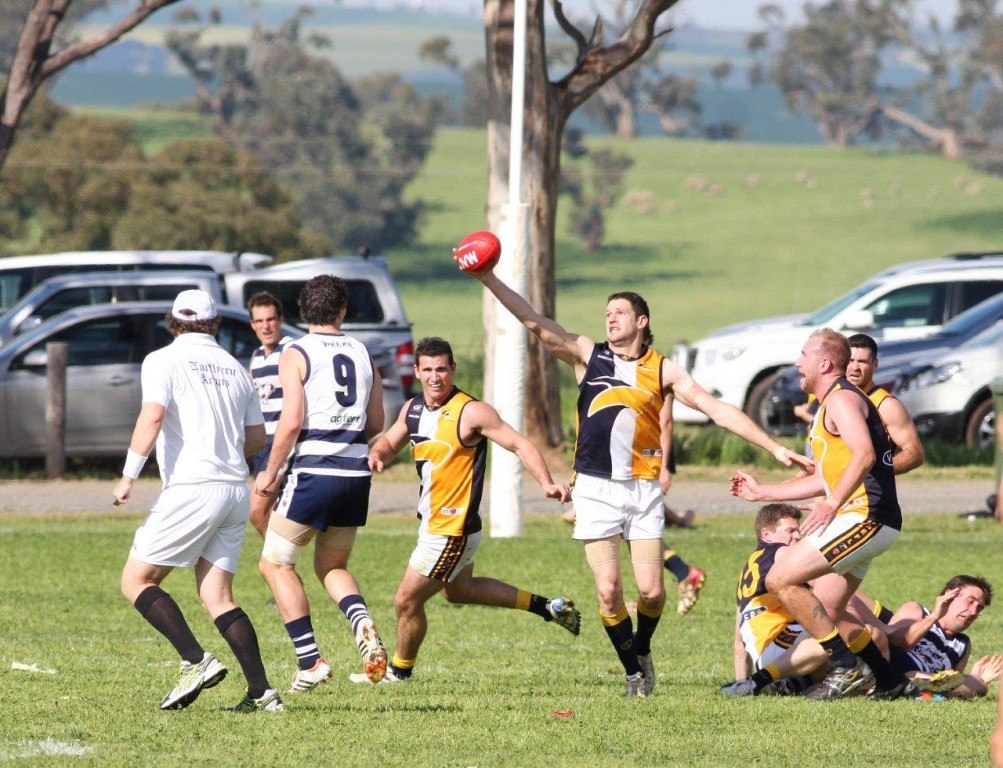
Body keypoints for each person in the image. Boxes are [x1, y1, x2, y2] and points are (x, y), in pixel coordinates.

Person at [464, 261, 810, 697]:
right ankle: (634, 674)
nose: (610, 318)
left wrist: (775, 448)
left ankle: (641, 647)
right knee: (609, 592)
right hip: (594, 487)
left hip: (642, 489)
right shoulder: (589, 355)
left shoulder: (663, 370)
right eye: (607, 312)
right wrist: (488, 279)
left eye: (620, 313)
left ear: (641, 322)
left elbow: (717, 410)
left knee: (652, 593)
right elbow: (534, 321)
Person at [357, 336, 580, 684]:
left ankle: (399, 673)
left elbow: (520, 443)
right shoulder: (413, 409)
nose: (435, 377)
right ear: (416, 371)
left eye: (442, 369)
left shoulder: (471, 411)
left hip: (452, 529)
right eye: (428, 369)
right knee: (459, 591)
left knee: (405, 601)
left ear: (453, 369)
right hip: (435, 525)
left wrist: (546, 482)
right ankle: (546, 606)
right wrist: (378, 455)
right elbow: (389, 440)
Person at [112, 289, 283, 713]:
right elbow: (258, 438)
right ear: (214, 323)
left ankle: (196, 661)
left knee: (136, 581)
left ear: (172, 321)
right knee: (218, 596)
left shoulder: (162, 359)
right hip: (232, 491)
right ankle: (263, 693)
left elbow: (152, 415)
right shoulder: (235, 367)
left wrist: (128, 475)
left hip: (192, 488)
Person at [730, 328, 914, 700]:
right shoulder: (828, 405)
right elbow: (823, 479)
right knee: (829, 609)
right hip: (862, 517)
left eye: (803, 356)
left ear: (824, 363)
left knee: (781, 578)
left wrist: (832, 504)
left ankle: (844, 667)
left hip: (865, 515)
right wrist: (762, 492)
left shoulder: (842, 401)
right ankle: (889, 679)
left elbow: (863, 455)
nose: (797, 363)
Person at [253, 275, 387, 693]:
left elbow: (291, 421)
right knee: (332, 565)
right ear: (342, 310)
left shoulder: (296, 352)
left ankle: (310, 661)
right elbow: (378, 422)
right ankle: (362, 622)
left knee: (274, 563)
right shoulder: (363, 351)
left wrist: (270, 472)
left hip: (314, 472)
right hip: (355, 474)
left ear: (302, 311)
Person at [721, 503, 827, 697]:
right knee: (839, 629)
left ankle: (791, 685)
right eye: (790, 531)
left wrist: (741, 683)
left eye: (798, 530)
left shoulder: (749, 571)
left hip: (766, 658)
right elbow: (827, 587)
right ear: (766, 535)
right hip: (783, 648)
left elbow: (739, 644)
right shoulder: (781, 553)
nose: (797, 536)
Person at [247, 292, 296, 539]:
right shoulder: (256, 356)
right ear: (252, 324)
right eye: (259, 321)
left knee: (257, 511)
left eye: (270, 319)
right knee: (269, 513)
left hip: (281, 442)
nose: (265, 326)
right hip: (261, 444)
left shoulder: (290, 350)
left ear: (280, 320)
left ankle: (279, 565)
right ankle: (280, 567)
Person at [845, 333, 924, 474]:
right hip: (841, 493)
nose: (855, 367)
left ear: (874, 365)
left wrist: (880, 472)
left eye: (862, 362)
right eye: (850, 360)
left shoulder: (887, 405)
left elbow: (915, 453)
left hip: (871, 494)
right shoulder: (838, 400)